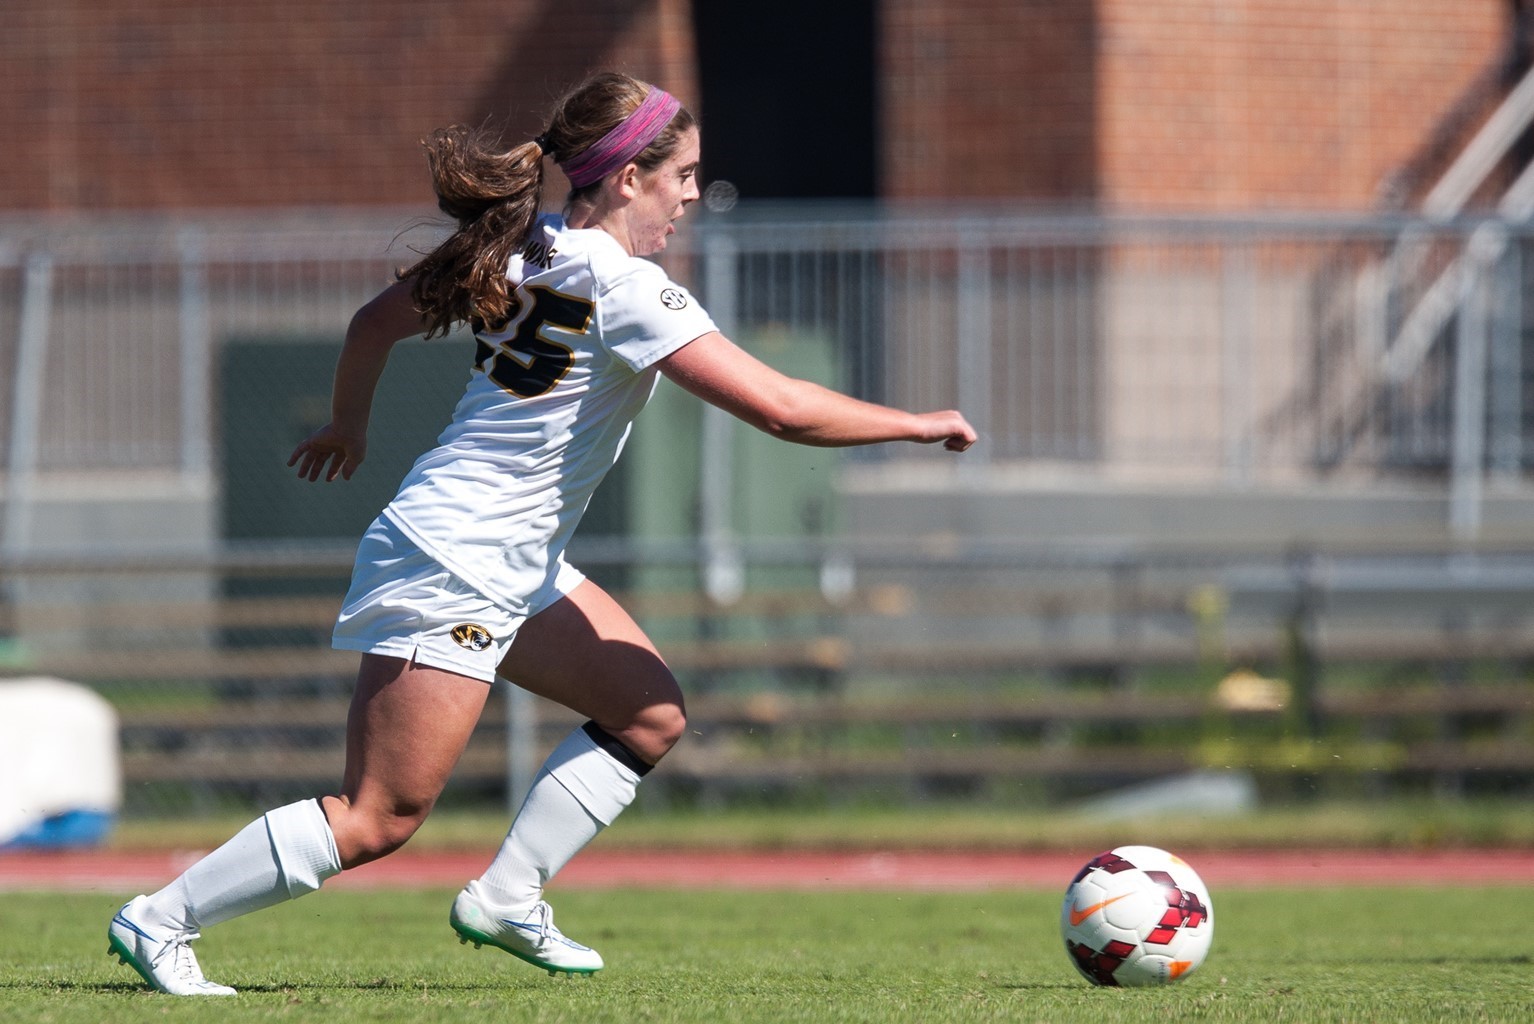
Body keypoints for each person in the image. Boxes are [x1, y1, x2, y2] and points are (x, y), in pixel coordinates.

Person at [107, 70, 976, 996]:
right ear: (631, 176)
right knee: (378, 816)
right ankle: (160, 920)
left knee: (648, 713)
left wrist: (348, 426)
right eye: (683, 174)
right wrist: (918, 424)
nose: (691, 194)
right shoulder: (629, 287)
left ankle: (507, 896)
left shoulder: (518, 247)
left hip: (506, 558)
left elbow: (372, 324)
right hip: (458, 556)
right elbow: (782, 409)